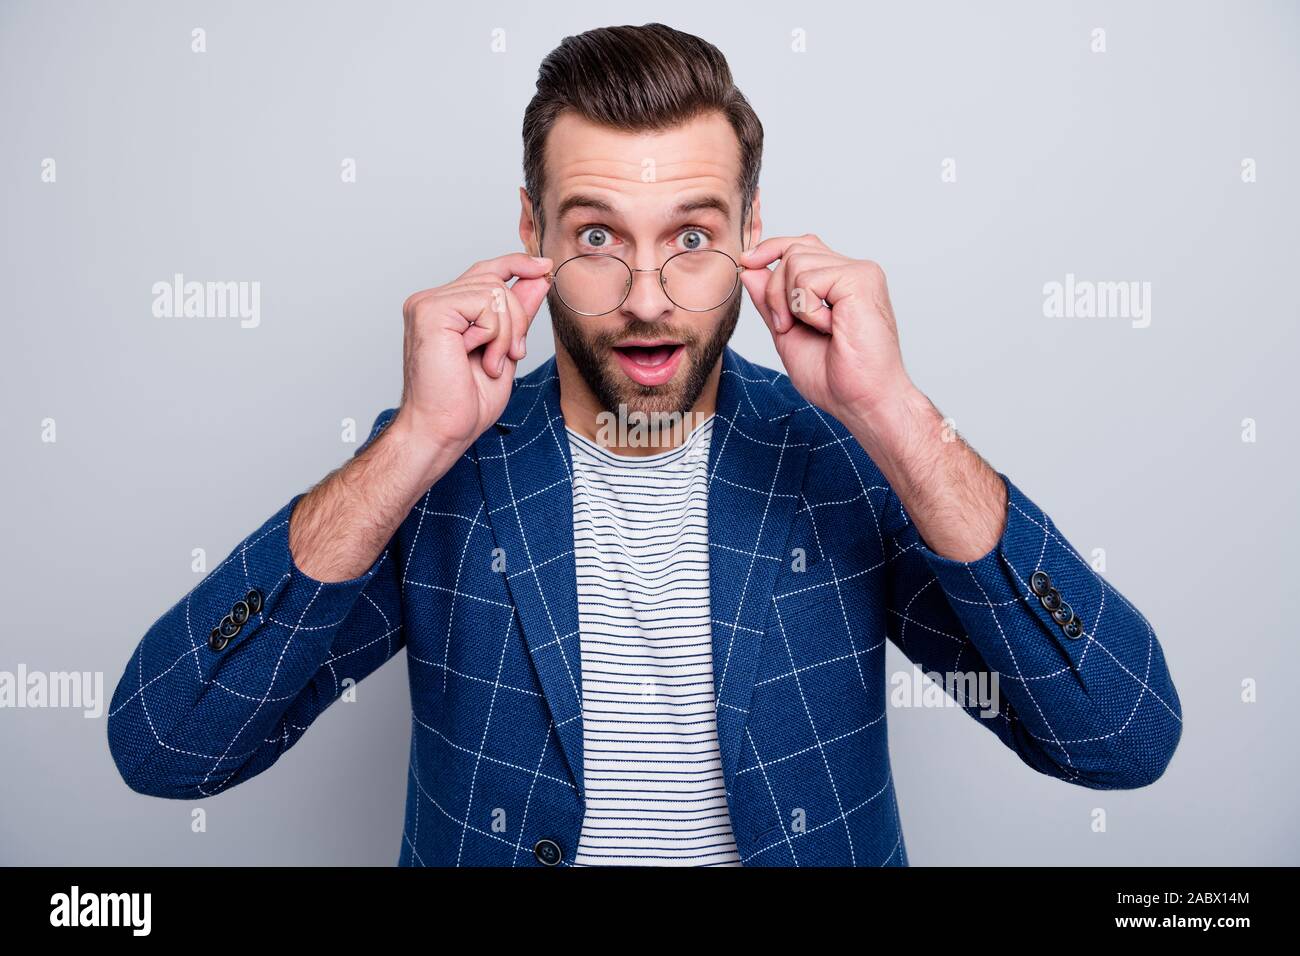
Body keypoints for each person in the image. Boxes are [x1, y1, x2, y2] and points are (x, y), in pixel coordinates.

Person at [107, 22, 1182, 867]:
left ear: (751, 234)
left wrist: (896, 411)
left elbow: (1119, 737)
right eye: (595, 237)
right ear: (529, 235)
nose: (647, 298)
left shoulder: (841, 454)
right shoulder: (438, 471)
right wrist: (416, 443)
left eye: (693, 237)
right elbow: (166, 746)